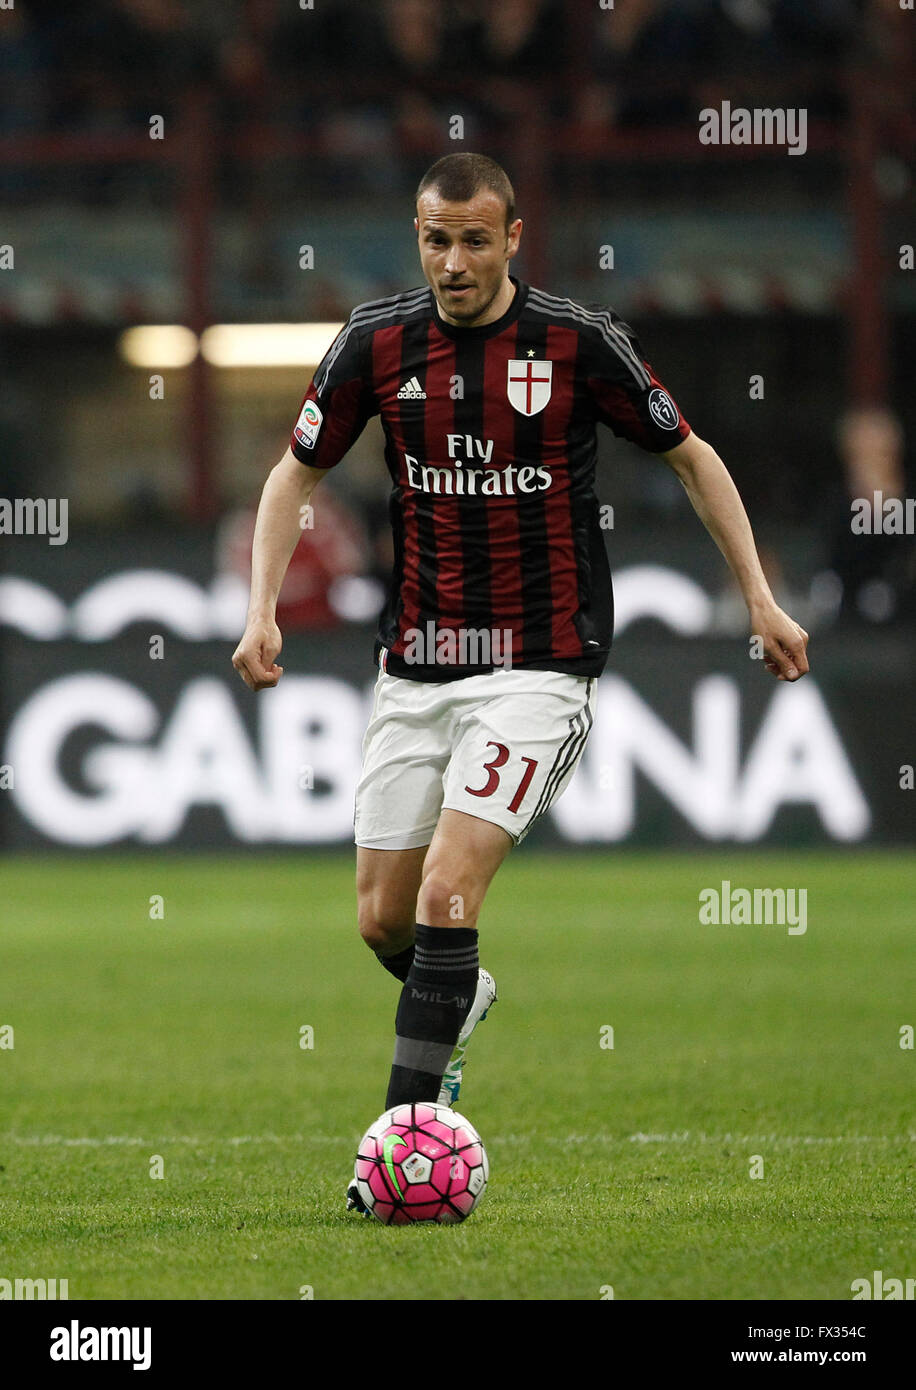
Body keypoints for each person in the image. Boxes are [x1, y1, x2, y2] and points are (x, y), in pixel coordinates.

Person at [231, 152, 810, 1213]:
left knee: (451, 892)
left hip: (539, 662)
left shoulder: (578, 343)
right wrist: (260, 606)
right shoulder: (374, 342)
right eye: (434, 239)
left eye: (473, 240)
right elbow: (292, 474)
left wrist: (760, 600)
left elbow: (692, 455)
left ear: (512, 237)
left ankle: (404, 1148)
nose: (452, 261)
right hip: (417, 664)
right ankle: (456, 999)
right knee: (382, 920)